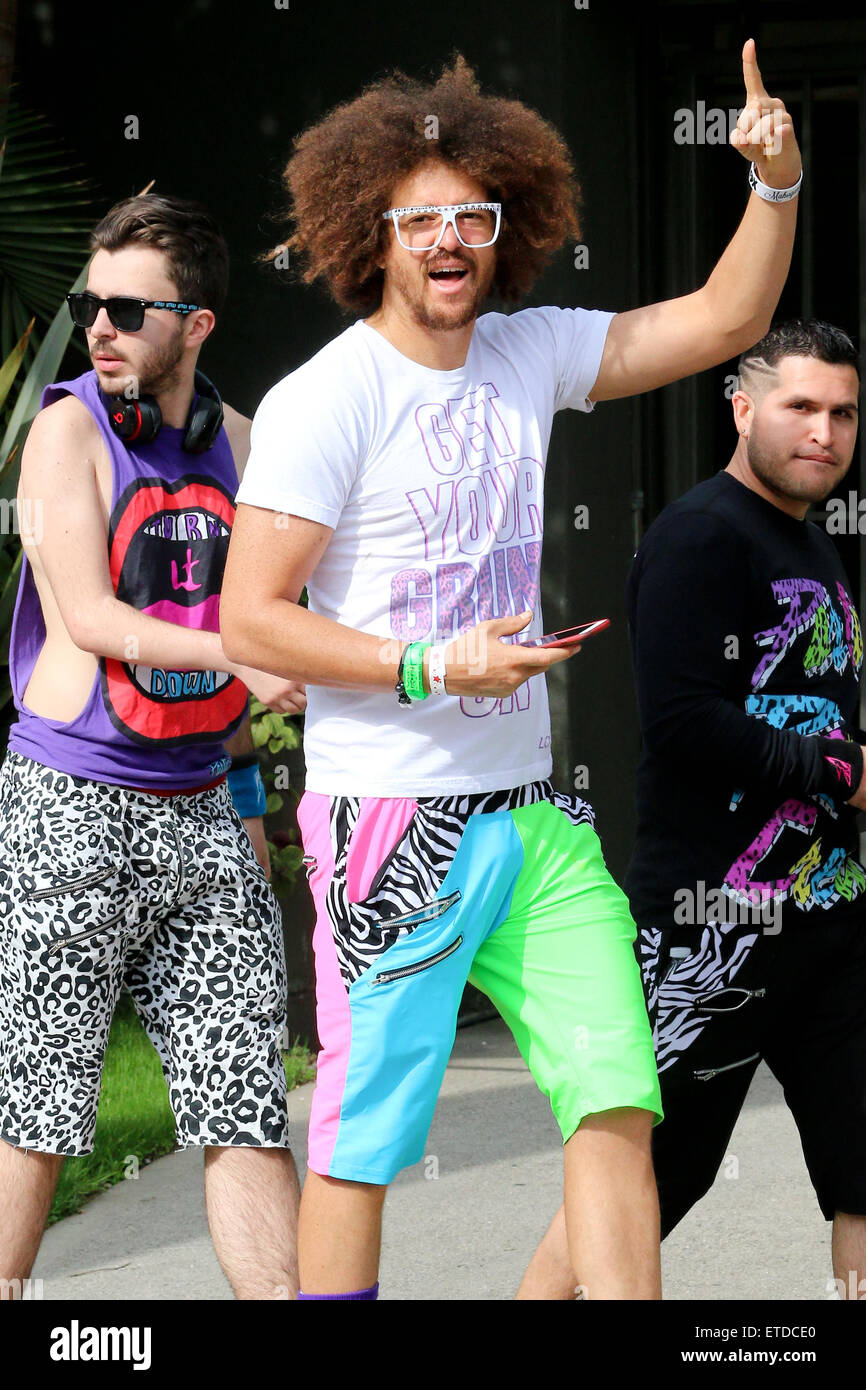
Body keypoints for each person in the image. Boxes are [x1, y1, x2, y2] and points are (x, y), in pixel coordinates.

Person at [220, 44, 802, 1301]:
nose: (446, 240)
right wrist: (429, 663)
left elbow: (726, 321)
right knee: (362, 1145)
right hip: (391, 820)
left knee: (616, 1097)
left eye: (469, 217)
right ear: (369, 233)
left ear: (504, 227)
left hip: (530, 819)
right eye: (417, 219)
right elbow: (250, 621)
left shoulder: (528, 352)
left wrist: (772, 188)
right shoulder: (329, 400)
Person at [519, 319, 866, 1301]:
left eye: (841, 413)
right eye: (800, 406)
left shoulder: (805, 539)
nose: (823, 431)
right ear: (742, 406)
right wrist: (842, 774)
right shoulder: (698, 534)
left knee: (860, 1171)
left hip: (829, 920)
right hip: (711, 924)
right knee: (647, 1177)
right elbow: (680, 722)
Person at [0, 194, 305, 1300]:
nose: (101, 325)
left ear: (198, 324)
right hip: (70, 803)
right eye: (91, 302)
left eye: (129, 308)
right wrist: (244, 646)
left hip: (203, 805)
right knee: (39, 1102)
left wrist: (246, 800)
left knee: (244, 1101)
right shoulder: (65, 431)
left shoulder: (242, 445)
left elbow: (285, 619)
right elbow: (88, 612)